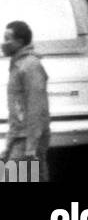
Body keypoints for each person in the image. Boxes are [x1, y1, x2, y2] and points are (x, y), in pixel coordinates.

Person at [2, 20, 51, 181]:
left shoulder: (29, 66)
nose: (4, 43)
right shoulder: (18, 64)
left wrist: (31, 147)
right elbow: (18, 109)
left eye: (8, 38)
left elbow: (36, 107)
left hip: (27, 137)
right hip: (20, 135)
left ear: (20, 42)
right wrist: (8, 144)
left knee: (12, 178)